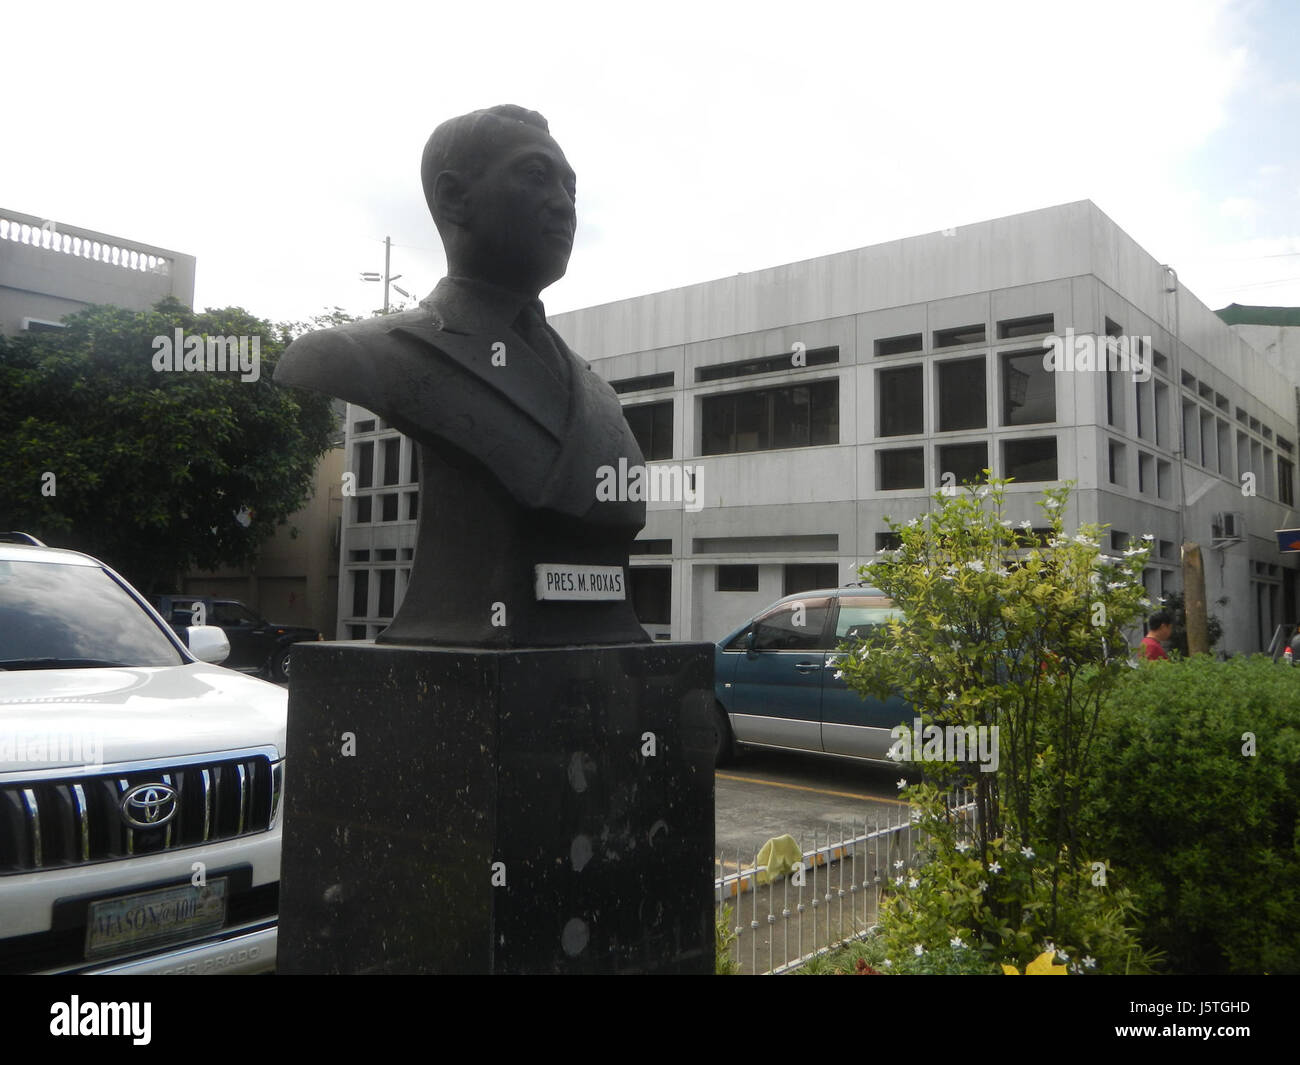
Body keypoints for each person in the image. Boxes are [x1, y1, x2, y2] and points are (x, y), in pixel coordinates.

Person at [275, 105, 648, 647]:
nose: (564, 205)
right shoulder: (363, 353)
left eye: (571, 188)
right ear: (454, 198)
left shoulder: (594, 390)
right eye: (537, 177)